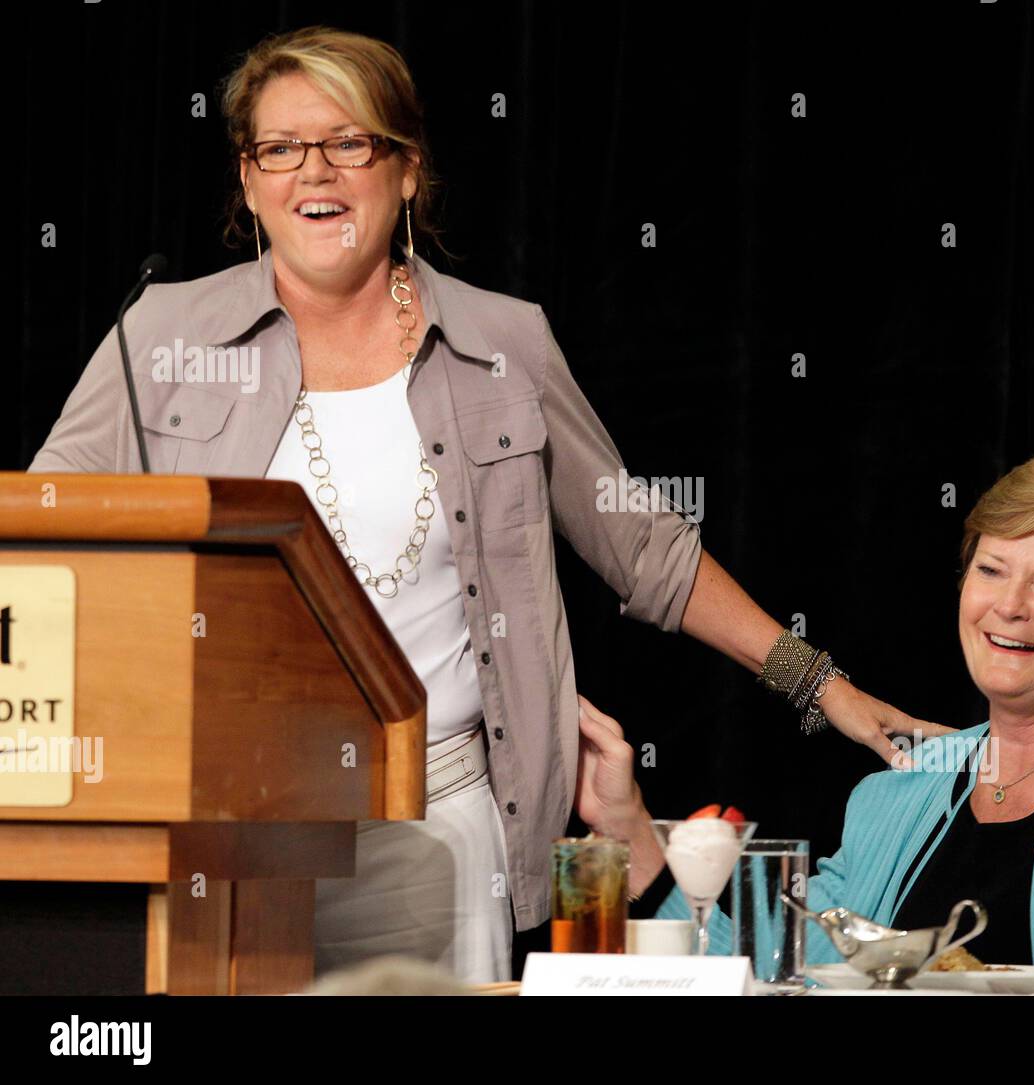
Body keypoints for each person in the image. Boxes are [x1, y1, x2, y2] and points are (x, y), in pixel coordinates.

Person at [27, 26, 938, 983]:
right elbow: (49, 540)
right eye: (281, 149)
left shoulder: (505, 341)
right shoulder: (163, 332)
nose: (315, 172)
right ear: (249, 182)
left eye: (350, 141)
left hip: (442, 824)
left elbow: (645, 545)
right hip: (228, 829)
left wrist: (821, 685)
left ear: (407, 169)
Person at [577, 450, 1034, 968]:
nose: (1008, 606)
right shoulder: (904, 783)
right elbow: (781, 964)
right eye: (990, 570)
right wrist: (632, 833)